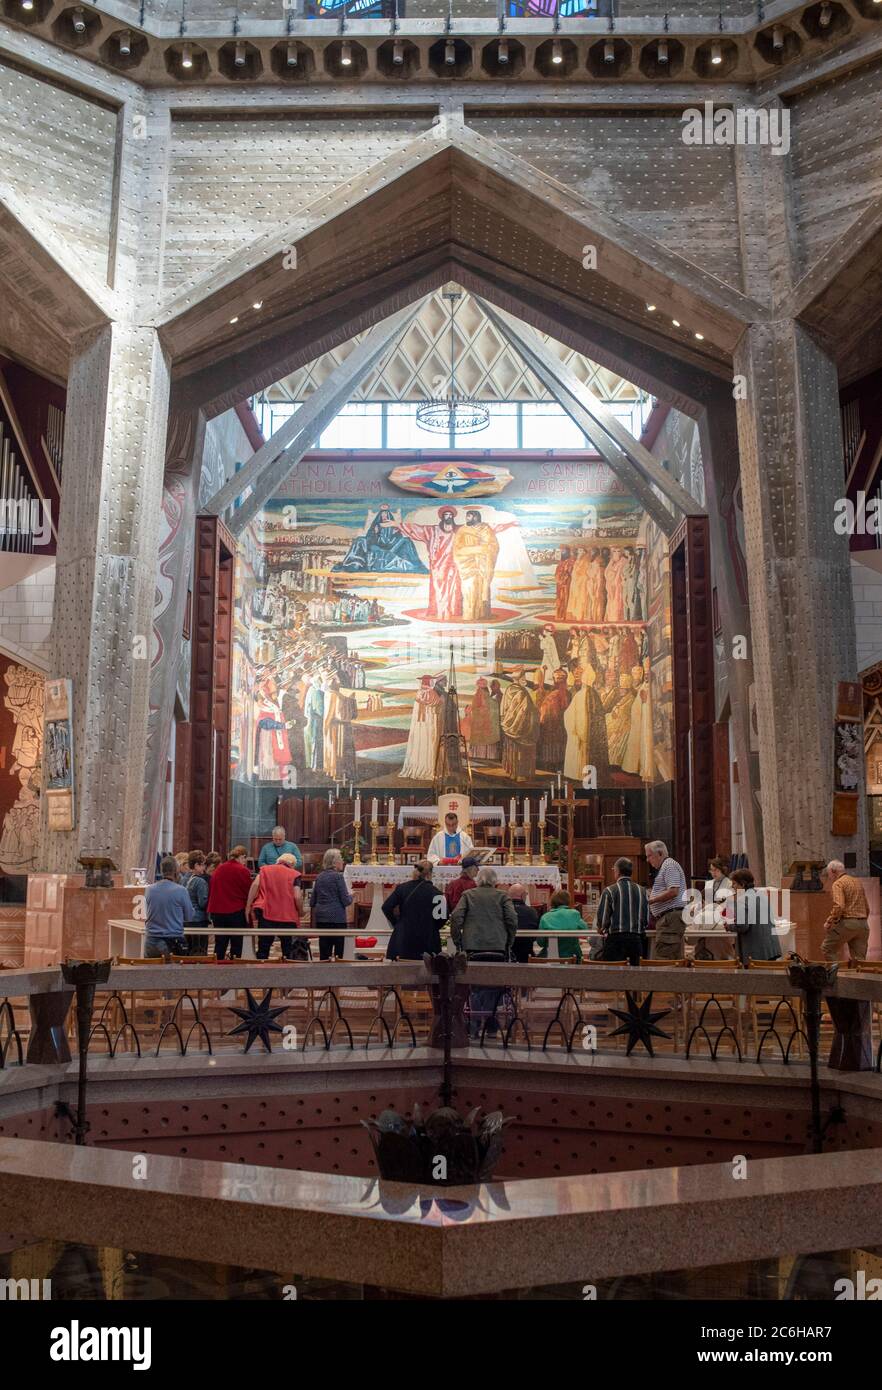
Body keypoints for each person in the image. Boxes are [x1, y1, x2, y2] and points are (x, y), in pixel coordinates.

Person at [449, 866, 518, 1039]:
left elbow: (456, 918)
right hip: (497, 947)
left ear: (478, 880)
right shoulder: (503, 896)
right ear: (495, 881)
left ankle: (474, 1025)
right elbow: (512, 920)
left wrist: (458, 942)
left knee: (474, 986)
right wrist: (508, 941)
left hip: (473, 947)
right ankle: (492, 1027)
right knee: (494, 985)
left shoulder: (469, 895)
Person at [393, 506, 463, 621]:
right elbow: (417, 529)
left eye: (450, 516)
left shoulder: (459, 530)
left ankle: (454, 611)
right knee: (439, 588)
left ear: (453, 517)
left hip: (454, 564)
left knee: (454, 587)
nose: (448, 517)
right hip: (438, 565)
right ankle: (441, 612)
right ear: (442, 517)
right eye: (446, 515)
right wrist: (398, 525)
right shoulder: (433, 530)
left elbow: (476, 529)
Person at [247, 853, 305, 961]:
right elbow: (297, 896)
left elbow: (255, 885)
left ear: (278, 861)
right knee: (288, 949)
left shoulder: (264, 870)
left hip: (267, 914)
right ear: (292, 864)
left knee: (263, 948)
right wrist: (301, 911)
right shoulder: (294, 874)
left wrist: (248, 906)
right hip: (287, 916)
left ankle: (259, 971)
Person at [382, 860, 445, 959]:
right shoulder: (437, 893)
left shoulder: (402, 888)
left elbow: (386, 907)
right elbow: (442, 917)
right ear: (430, 873)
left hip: (404, 938)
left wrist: (397, 923)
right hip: (427, 939)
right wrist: (432, 926)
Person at [724, 868, 782, 966]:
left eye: (734, 883)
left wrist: (729, 926)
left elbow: (742, 927)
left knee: (755, 980)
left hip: (755, 952)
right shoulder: (762, 895)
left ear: (742, 884)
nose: (732, 886)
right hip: (770, 948)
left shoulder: (742, 900)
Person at [596, 857, 648, 964]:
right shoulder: (642, 891)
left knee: (614, 976)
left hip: (615, 941)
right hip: (636, 940)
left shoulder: (609, 890)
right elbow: (645, 919)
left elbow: (602, 921)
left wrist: (601, 928)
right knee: (635, 976)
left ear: (617, 872)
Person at [144, 855, 195, 959]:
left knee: (150, 973)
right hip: (172, 941)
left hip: (151, 941)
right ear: (176, 871)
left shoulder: (149, 889)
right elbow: (189, 917)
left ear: (162, 870)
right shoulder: (181, 890)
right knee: (172, 974)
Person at [207, 845, 252, 960]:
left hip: (218, 912)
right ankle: (234, 969)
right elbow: (248, 891)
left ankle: (217, 968)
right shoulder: (243, 870)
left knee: (220, 943)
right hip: (235, 912)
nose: (245, 862)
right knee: (236, 944)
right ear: (242, 856)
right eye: (244, 859)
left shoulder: (219, 869)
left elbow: (212, 887)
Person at [645, 840, 688, 959]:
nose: (647, 860)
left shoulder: (669, 865)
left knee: (665, 957)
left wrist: (651, 900)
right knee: (672, 958)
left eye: (649, 856)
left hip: (670, 919)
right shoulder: (667, 866)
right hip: (670, 918)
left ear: (659, 853)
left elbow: (673, 891)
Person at [821, 860, 870, 963]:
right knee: (859, 960)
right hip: (864, 925)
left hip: (848, 923)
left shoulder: (838, 883)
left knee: (827, 948)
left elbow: (839, 906)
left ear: (833, 871)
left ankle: (837, 975)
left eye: (829, 874)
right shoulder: (857, 882)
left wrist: (829, 921)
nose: (829, 877)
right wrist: (861, 922)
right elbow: (867, 907)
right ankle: (859, 978)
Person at [311, 847, 353, 960]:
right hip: (337, 919)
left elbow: (312, 901)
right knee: (339, 953)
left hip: (321, 919)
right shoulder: (338, 877)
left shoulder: (319, 877)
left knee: (324, 952)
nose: (343, 862)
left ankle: (323, 974)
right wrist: (351, 896)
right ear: (335, 862)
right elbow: (346, 901)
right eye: (341, 859)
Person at [500, 667, 539, 781]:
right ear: (520, 678)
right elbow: (524, 711)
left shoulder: (508, 689)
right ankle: (520, 774)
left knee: (513, 750)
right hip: (520, 727)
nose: (525, 679)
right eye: (523, 677)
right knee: (521, 751)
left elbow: (505, 709)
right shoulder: (521, 692)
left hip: (509, 725)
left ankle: (513, 773)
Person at [400, 675, 443, 781]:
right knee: (428, 743)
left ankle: (416, 767)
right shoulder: (432, 693)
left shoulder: (419, 693)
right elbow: (437, 704)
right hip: (428, 725)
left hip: (419, 725)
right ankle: (427, 768)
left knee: (419, 743)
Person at [537, 889, 584, 962]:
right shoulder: (574, 914)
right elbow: (585, 930)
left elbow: (541, 942)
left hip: (549, 958)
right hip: (572, 958)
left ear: (552, 900)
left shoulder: (545, 917)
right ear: (568, 900)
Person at [185, 851, 211, 955]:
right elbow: (202, 903)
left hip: (187, 919)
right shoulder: (200, 881)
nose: (204, 868)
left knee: (189, 950)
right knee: (200, 952)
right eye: (203, 864)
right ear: (196, 865)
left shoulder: (185, 878)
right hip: (199, 920)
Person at [508, 881, 540, 964]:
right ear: (522, 896)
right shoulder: (531, 911)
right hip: (526, 954)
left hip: (508, 953)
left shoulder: (502, 910)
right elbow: (535, 935)